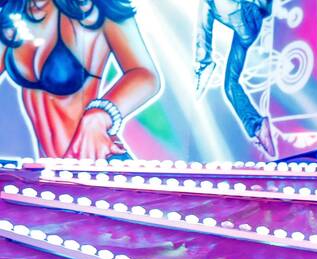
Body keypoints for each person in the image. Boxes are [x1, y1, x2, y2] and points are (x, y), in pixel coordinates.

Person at [1, 0, 159, 159]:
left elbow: (144, 74)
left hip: (97, 161)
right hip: (50, 171)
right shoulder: (12, 15)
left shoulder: (98, 8)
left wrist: (99, 116)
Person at [195, 0, 275, 156]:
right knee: (230, 85)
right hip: (247, 27)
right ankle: (258, 127)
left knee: (205, 3)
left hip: (248, 14)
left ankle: (204, 61)